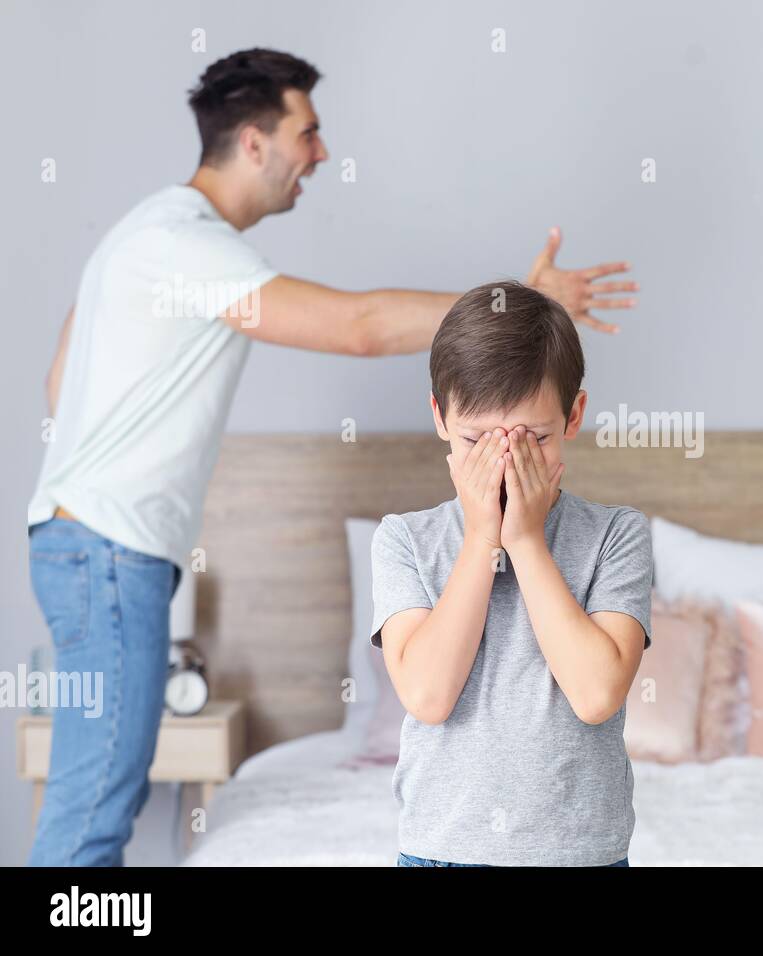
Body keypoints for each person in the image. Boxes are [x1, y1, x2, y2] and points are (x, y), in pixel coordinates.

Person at [27, 48, 638, 867]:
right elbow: (355, 328)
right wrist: (513, 309)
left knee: (97, 797)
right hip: (111, 550)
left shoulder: (136, 236)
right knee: (95, 812)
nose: (320, 154)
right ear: (253, 142)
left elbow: (58, 389)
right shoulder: (187, 246)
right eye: (306, 132)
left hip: (80, 543)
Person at [372, 281, 652, 867]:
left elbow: (598, 694)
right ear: (440, 418)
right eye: (477, 440)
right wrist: (481, 539)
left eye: (533, 440)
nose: (503, 464)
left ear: (574, 415)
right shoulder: (406, 540)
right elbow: (427, 694)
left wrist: (525, 541)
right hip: (442, 853)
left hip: (582, 856)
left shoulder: (615, 536)